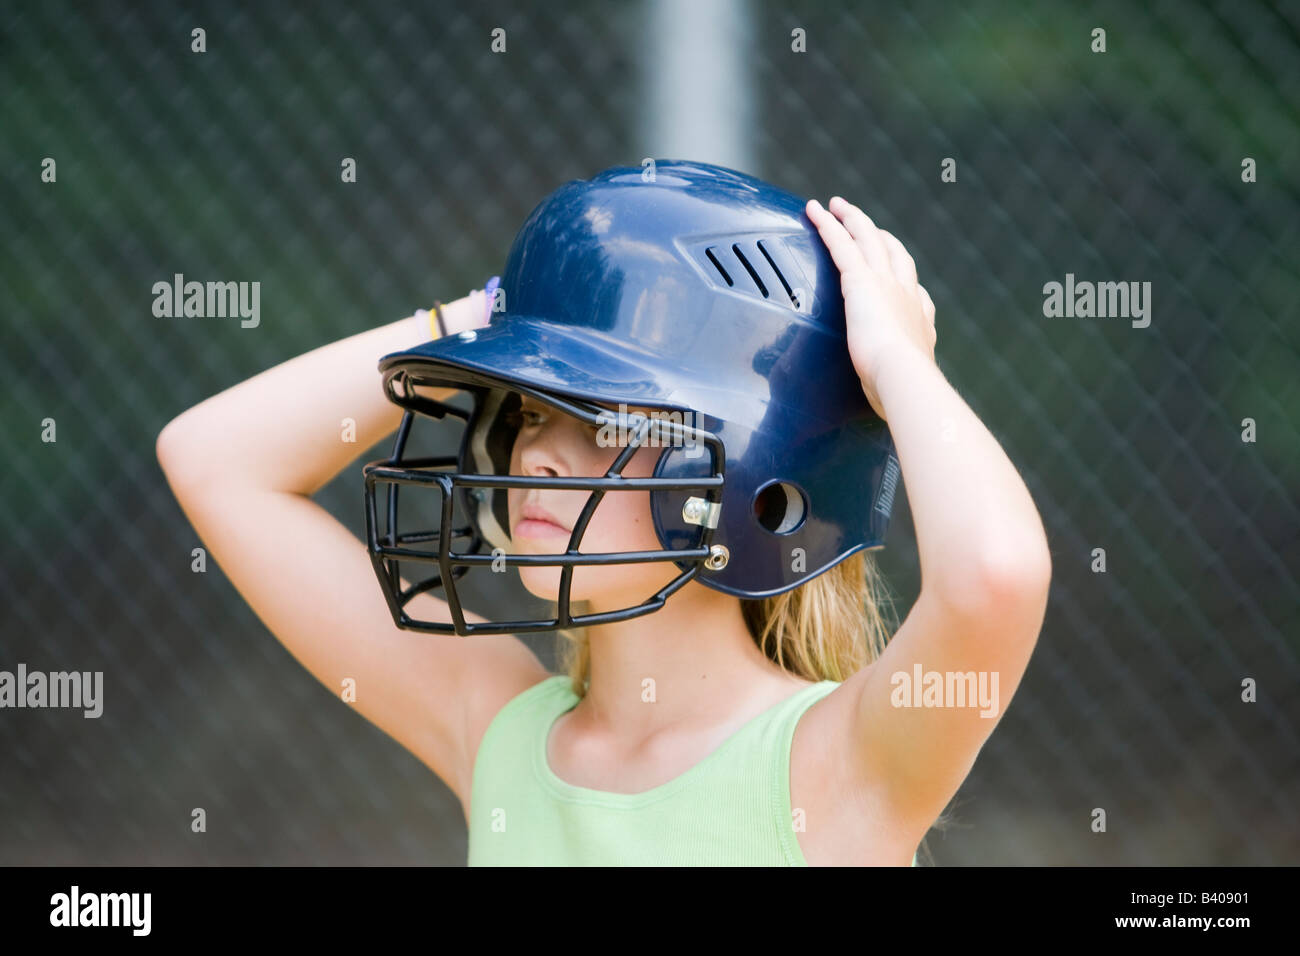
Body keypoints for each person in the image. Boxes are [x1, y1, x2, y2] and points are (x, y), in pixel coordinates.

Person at [157, 160, 1051, 866]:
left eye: (606, 419)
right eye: (533, 409)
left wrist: (897, 364)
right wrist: (486, 316)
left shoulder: (830, 765)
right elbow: (215, 462)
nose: (539, 449)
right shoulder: (505, 737)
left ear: (757, 466)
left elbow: (995, 579)